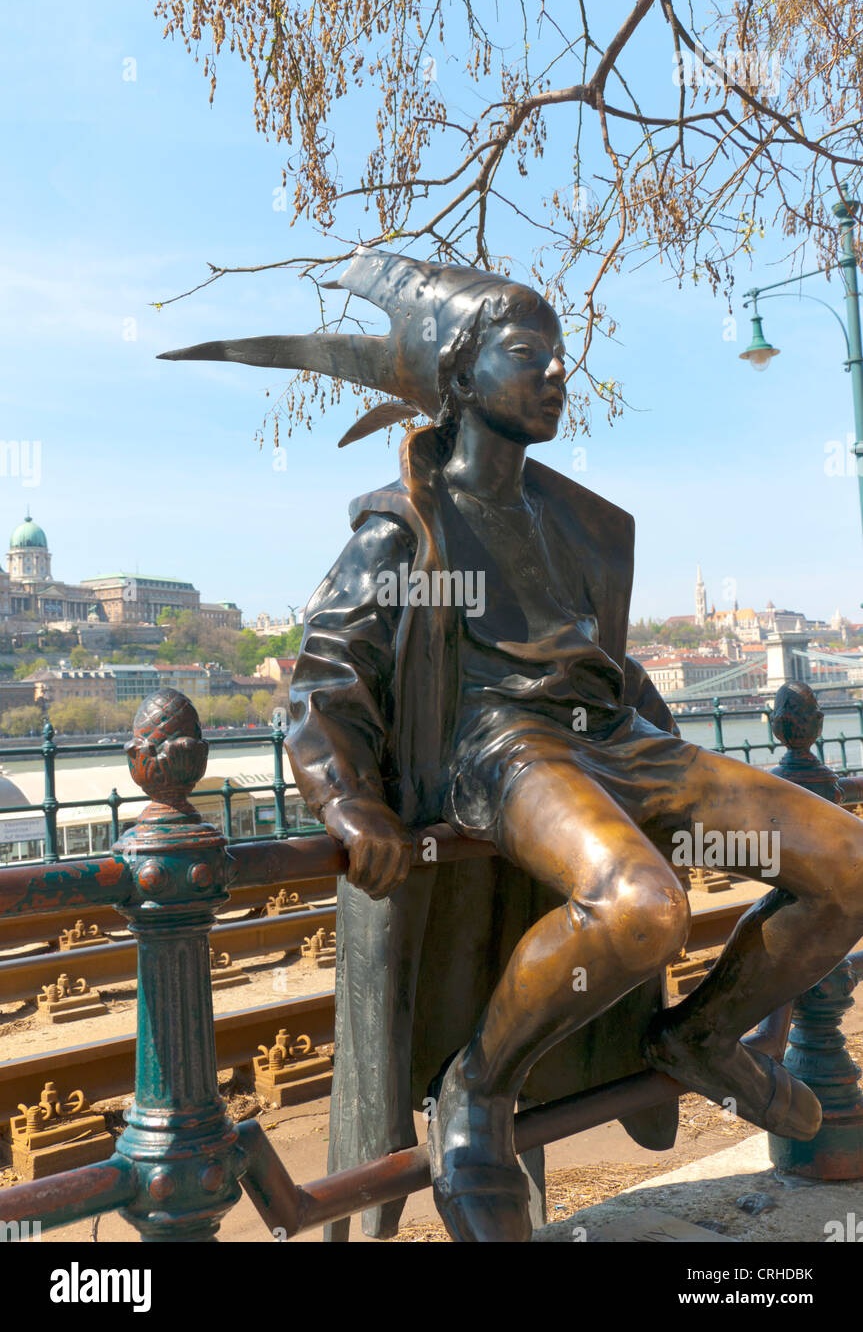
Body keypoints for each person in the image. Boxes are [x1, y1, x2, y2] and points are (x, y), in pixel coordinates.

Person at [160, 248, 863, 1243]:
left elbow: (598, 663)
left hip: (620, 744)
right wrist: (347, 799)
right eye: (526, 352)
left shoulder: (574, 526)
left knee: (842, 866)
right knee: (638, 906)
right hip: (506, 753)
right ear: (459, 371)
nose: (554, 375)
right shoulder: (409, 525)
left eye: (561, 357)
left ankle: (701, 1035)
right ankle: (477, 1093)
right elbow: (322, 674)